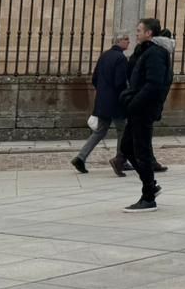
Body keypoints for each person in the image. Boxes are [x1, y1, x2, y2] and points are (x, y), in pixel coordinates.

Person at [118, 18, 173, 212]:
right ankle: (151, 185)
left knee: (140, 150)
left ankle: (148, 195)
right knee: (126, 147)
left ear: (149, 33)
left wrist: (133, 103)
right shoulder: (145, 51)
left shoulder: (156, 54)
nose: (137, 33)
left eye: (140, 30)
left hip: (143, 109)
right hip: (137, 108)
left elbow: (154, 84)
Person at [72, 32, 130, 175]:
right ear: (119, 41)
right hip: (116, 102)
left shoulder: (104, 56)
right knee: (123, 130)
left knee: (100, 131)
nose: (129, 42)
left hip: (102, 101)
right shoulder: (121, 58)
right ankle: (120, 159)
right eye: (126, 39)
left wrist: (103, 92)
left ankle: (81, 157)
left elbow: (95, 78)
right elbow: (120, 82)